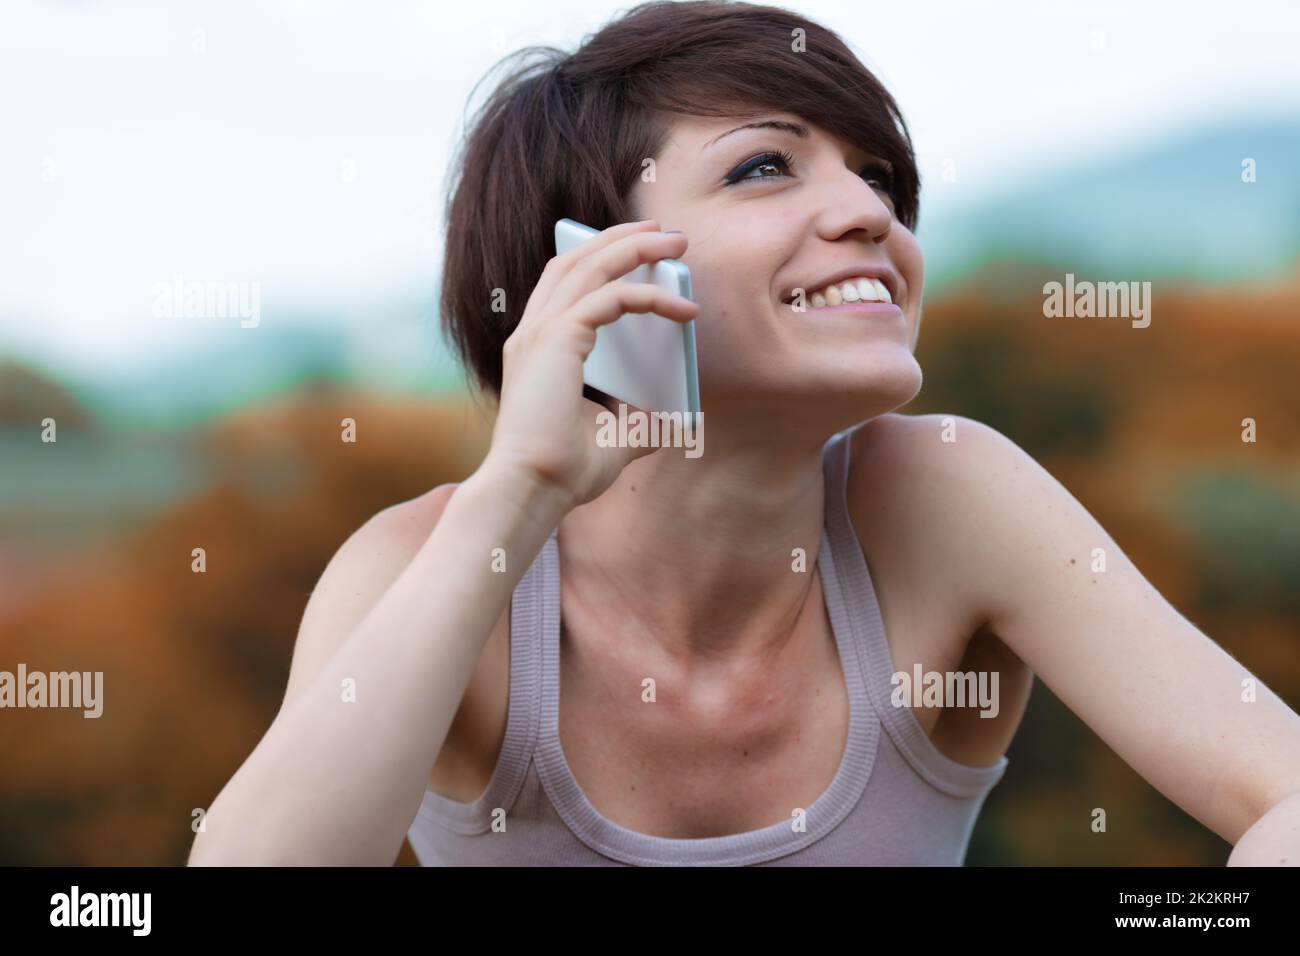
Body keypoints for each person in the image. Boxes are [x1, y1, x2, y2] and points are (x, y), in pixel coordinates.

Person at [188, 0, 1300, 866]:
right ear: (591, 269)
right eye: (764, 166)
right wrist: (518, 488)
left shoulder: (949, 498)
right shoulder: (414, 568)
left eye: (876, 176)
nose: (871, 213)